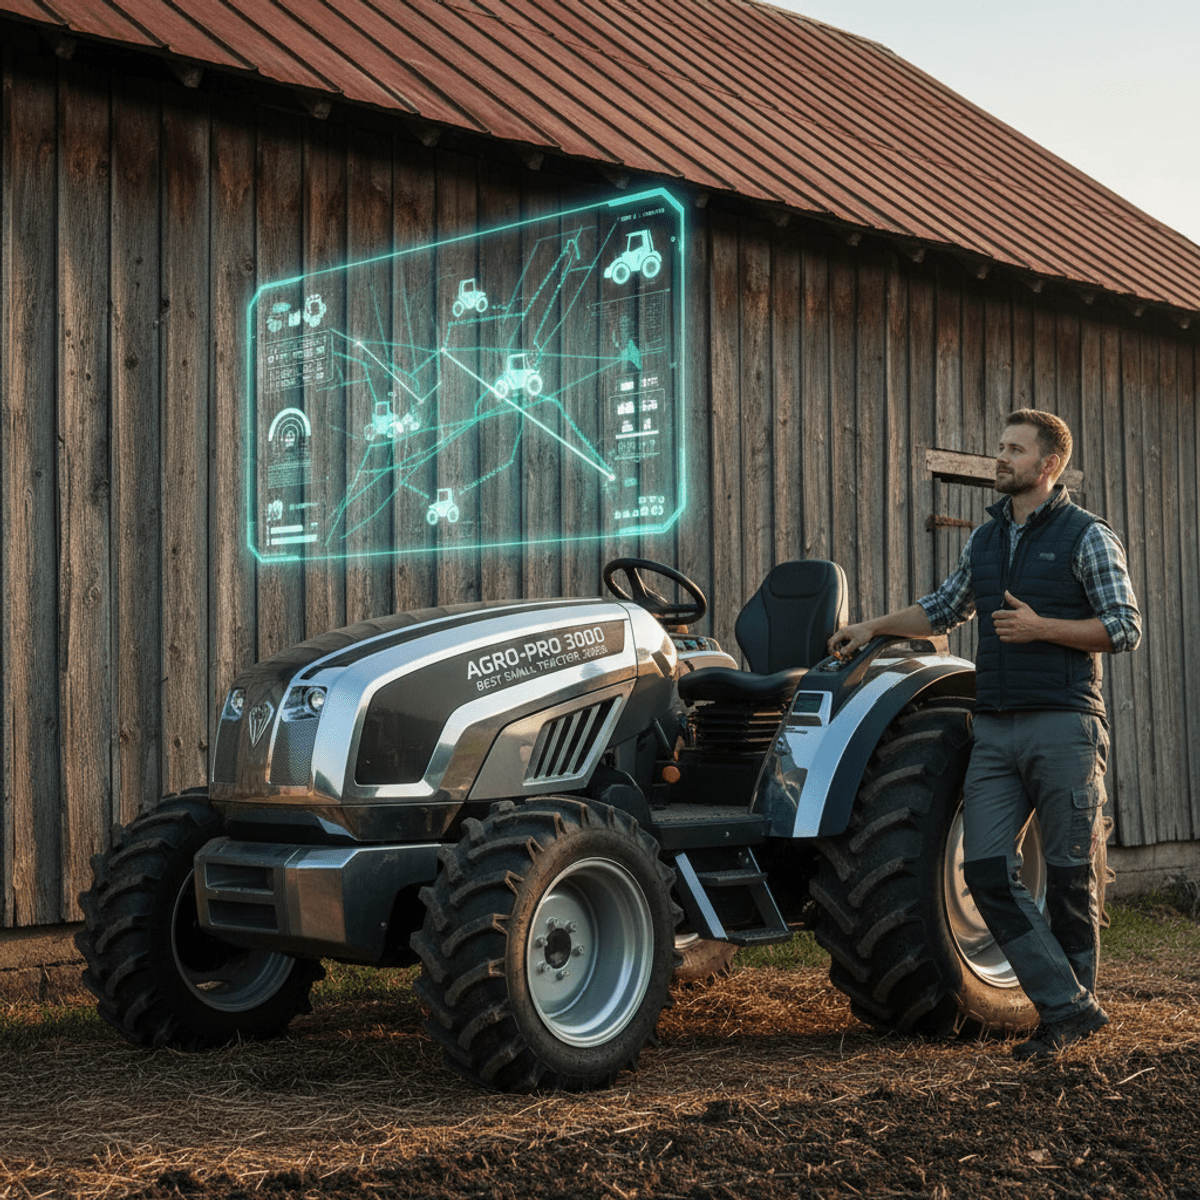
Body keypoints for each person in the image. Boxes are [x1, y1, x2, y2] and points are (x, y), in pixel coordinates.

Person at [828, 409, 1141, 1059]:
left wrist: (1043, 628)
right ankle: (1071, 1006)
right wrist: (874, 628)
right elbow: (944, 608)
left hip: (1064, 725)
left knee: (1069, 875)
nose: (1000, 458)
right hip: (995, 729)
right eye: (999, 446)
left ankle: (1061, 1020)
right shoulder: (987, 539)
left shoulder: (1087, 537)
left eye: (1014, 450)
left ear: (1047, 465)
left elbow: (1123, 628)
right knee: (986, 868)